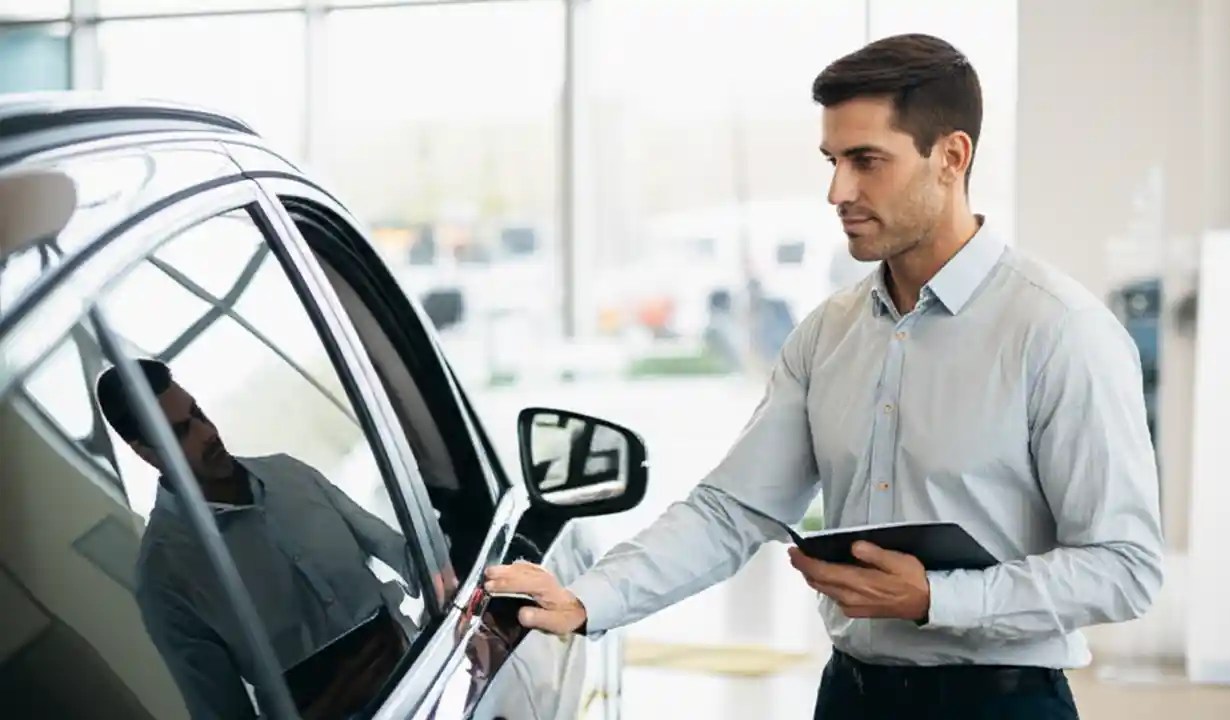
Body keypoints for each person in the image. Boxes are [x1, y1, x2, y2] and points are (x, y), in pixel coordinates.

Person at [484, 33, 1163, 720]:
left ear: (951, 157)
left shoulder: (1059, 331)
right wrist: (588, 598)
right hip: (848, 696)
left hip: (997, 704)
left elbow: (1126, 568)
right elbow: (734, 510)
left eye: (867, 160)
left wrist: (936, 597)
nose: (838, 190)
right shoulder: (829, 333)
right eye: (833, 160)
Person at [95, 359, 418, 720]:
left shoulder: (290, 473)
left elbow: (403, 553)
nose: (207, 433)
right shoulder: (164, 578)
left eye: (198, 412)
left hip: (425, 673)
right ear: (144, 451)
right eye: (181, 432)